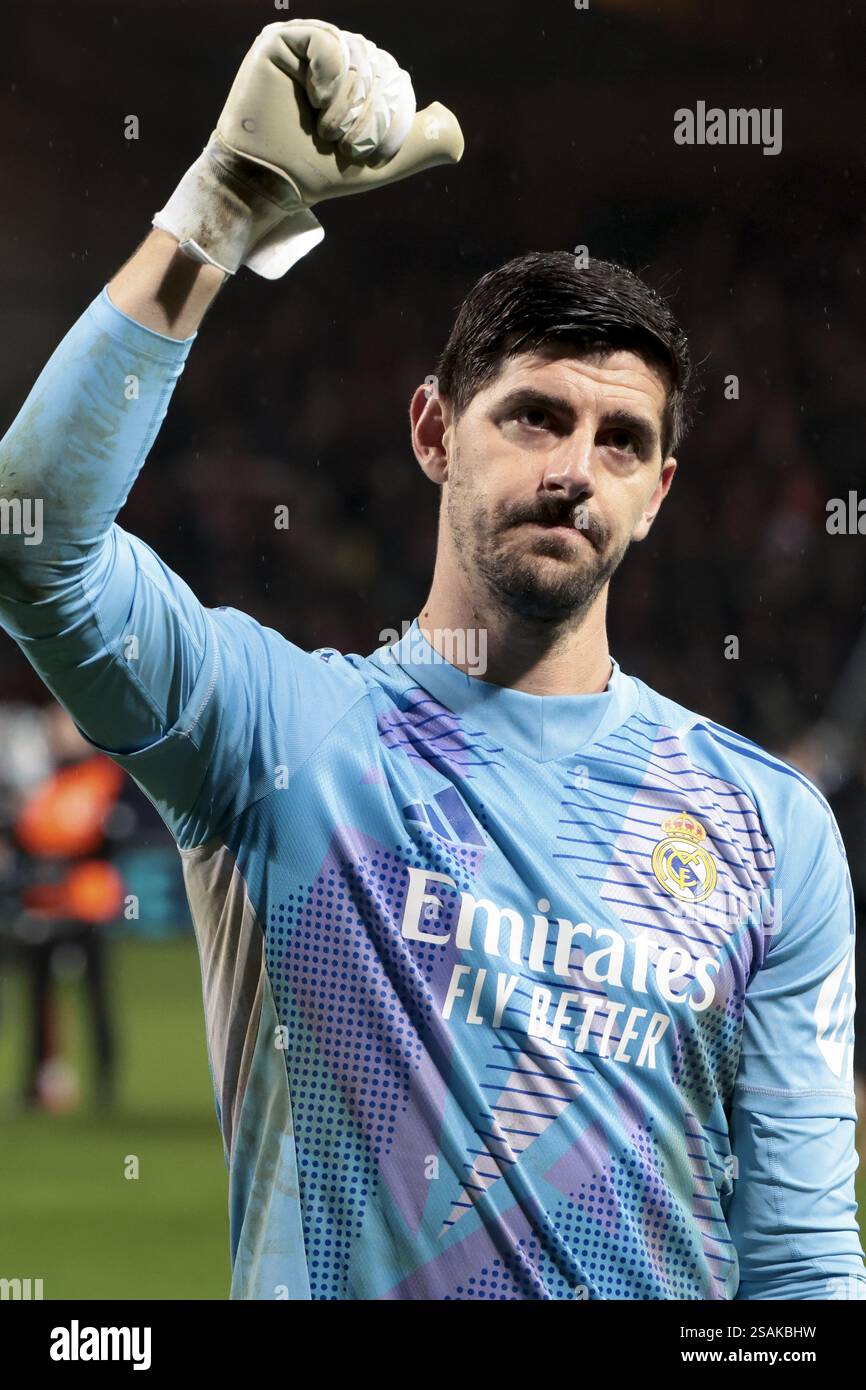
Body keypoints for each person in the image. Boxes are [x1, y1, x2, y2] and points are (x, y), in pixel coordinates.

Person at [0, 17, 863, 1301]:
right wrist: (219, 209)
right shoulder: (273, 734)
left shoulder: (771, 829)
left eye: (621, 441)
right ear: (431, 432)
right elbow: (37, 545)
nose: (575, 468)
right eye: (532, 414)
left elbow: (799, 1265)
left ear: (662, 489)